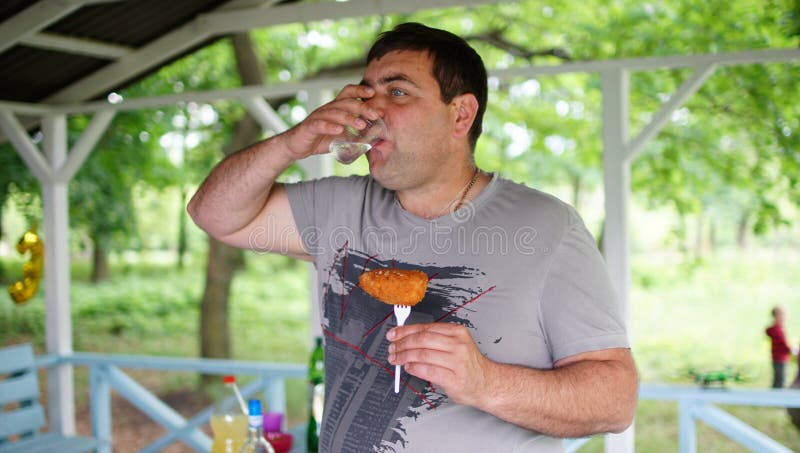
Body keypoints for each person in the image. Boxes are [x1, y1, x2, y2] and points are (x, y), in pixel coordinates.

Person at [188, 22, 637, 452]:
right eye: (367, 93)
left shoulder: (546, 227)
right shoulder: (338, 208)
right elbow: (213, 213)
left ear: (460, 114)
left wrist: (486, 383)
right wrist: (292, 143)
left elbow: (614, 402)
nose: (370, 110)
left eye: (397, 92)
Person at [765, 306, 793, 388]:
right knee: (779, 380)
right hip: (779, 357)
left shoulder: (778, 329)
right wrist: (792, 350)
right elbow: (782, 344)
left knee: (779, 378)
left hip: (782, 357)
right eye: (781, 315)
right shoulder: (776, 329)